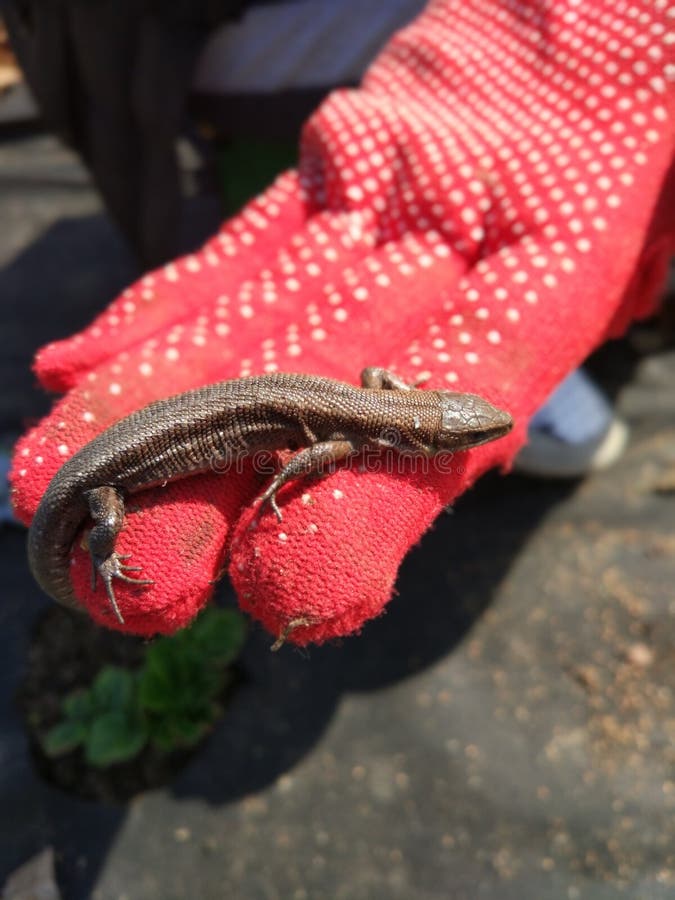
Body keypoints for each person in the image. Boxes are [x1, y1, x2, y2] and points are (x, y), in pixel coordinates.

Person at [10, 0, 675, 645]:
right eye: (464, 434)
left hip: (185, 426)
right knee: (108, 520)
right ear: (418, 442)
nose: (479, 434)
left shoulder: (364, 420)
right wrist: (273, 490)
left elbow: (375, 378)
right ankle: (87, 559)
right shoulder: (341, 441)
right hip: (109, 474)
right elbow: (296, 464)